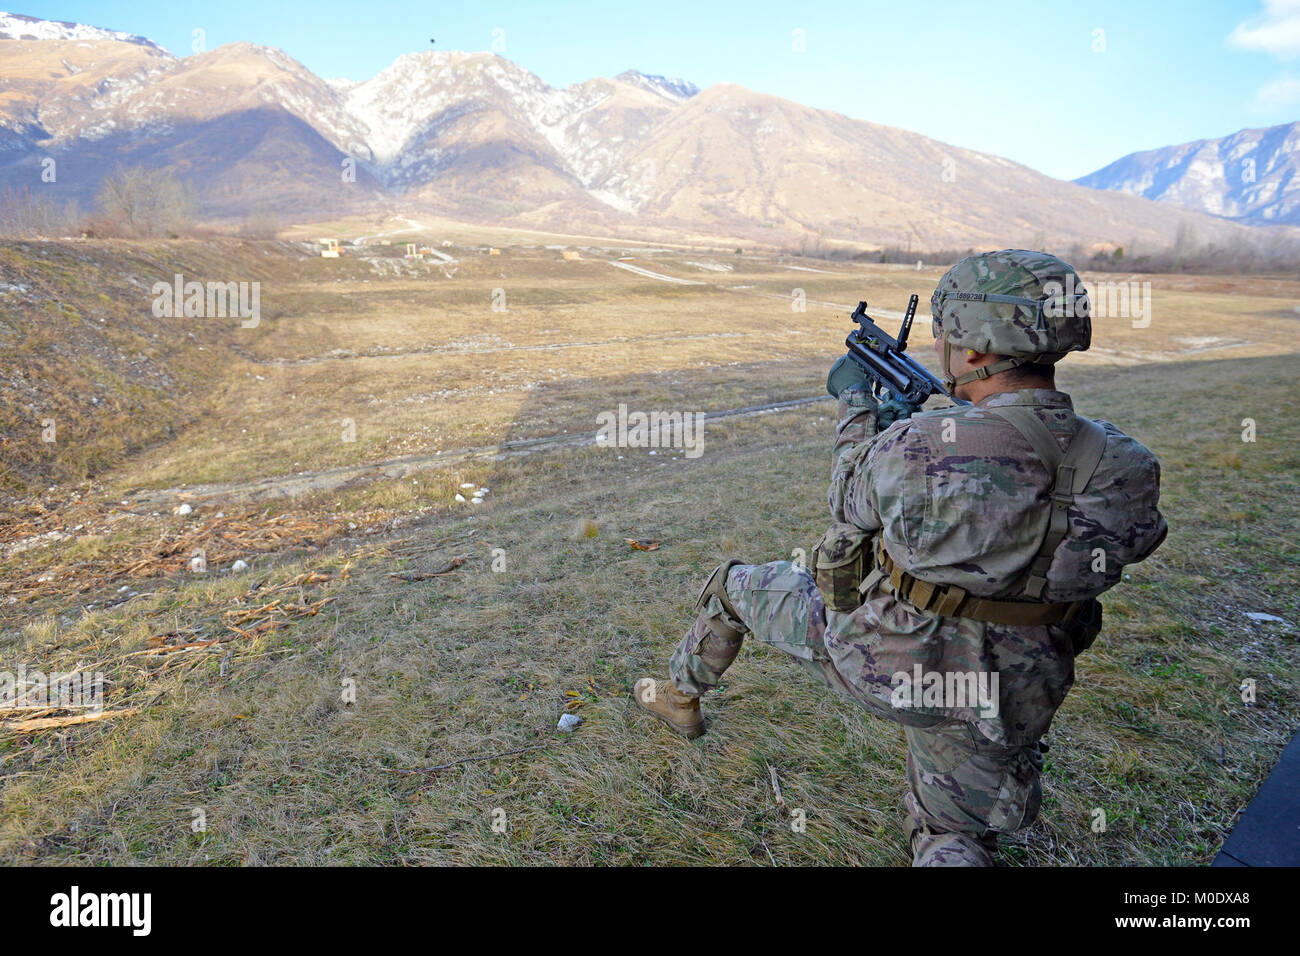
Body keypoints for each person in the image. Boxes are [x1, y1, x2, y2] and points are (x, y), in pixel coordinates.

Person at [631, 249, 1169, 866]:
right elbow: (1110, 528)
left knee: (733, 586)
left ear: (973, 351)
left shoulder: (915, 449)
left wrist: (858, 407)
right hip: (1012, 690)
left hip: (890, 662)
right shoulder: (1128, 463)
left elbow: (848, 498)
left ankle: (679, 697)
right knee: (953, 835)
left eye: (945, 332)